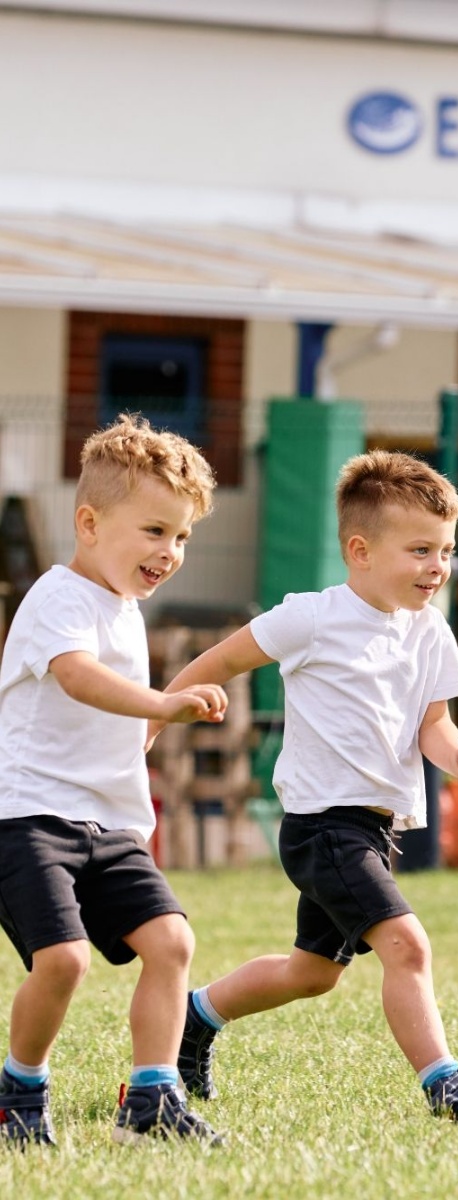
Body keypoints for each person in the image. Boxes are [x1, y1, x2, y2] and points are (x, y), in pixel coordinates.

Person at [162, 449, 458, 1118]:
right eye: (420, 549)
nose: (437, 567)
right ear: (360, 550)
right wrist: (158, 715)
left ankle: (196, 1018)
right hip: (322, 826)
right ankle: (445, 1085)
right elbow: (222, 658)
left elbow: (434, 728)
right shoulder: (312, 617)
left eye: (445, 550)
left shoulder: (430, 631)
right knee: (407, 944)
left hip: (375, 828)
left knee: (313, 975)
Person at [0, 415, 228, 1145]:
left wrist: (155, 723)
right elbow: (76, 677)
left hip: (109, 823)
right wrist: (161, 702)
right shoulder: (58, 596)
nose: (170, 551)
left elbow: (118, 710)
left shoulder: (123, 609)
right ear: (90, 523)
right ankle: (19, 1091)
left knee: (171, 943)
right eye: (155, 530)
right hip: (30, 816)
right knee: (62, 961)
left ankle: (152, 1103)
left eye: (182, 537)